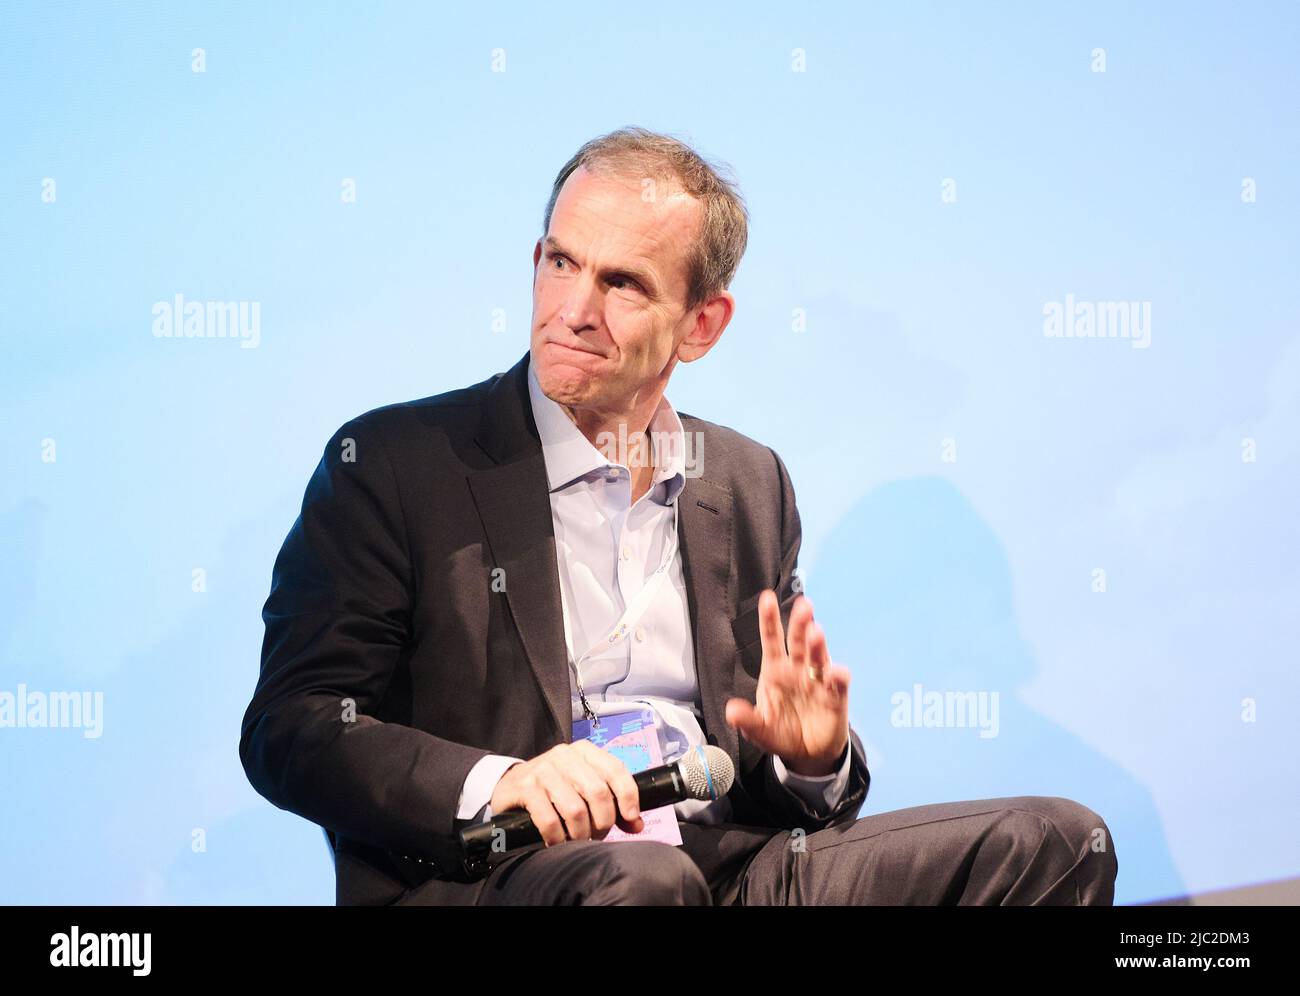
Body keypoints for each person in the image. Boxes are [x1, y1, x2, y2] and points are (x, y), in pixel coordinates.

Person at [240, 126, 1118, 905]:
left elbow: (773, 782)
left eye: (622, 284)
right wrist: (500, 783)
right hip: (499, 876)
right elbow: (295, 724)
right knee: (639, 883)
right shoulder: (398, 464)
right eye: (560, 263)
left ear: (702, 324)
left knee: (1054, 842)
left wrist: (809, 759)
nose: (573, 311)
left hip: (723, 868)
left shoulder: (745, 481)